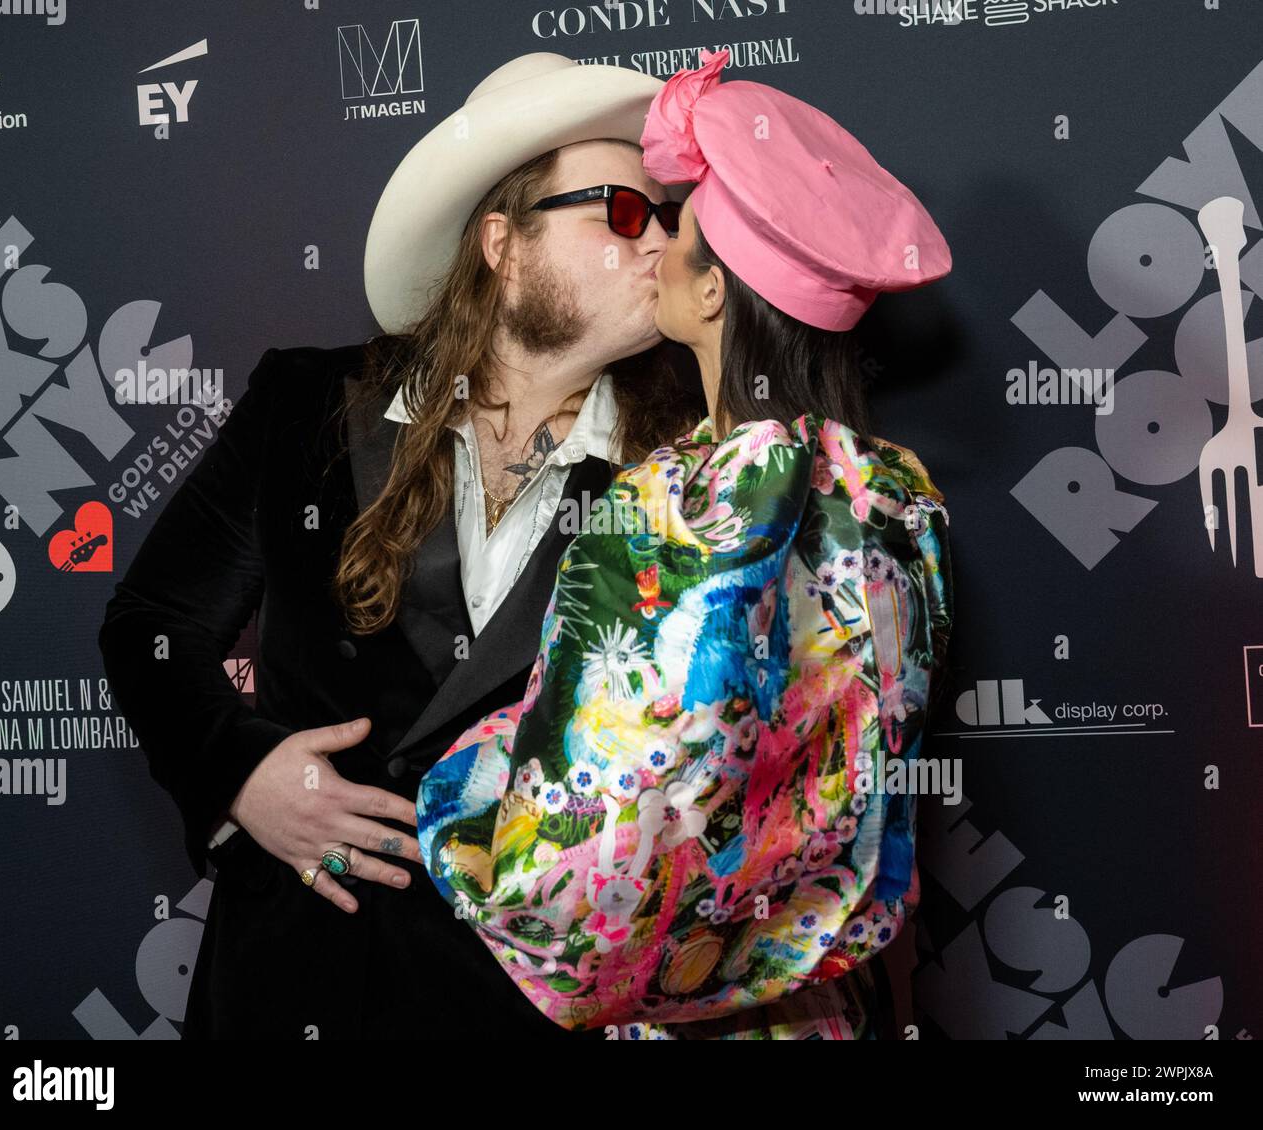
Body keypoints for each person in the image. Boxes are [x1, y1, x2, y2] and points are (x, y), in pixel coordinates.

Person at [97, 52, 705, 1039]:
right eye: (624, 214)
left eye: (669, 219)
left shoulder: (692, 467)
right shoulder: (308, 405)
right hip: (302, 976)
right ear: (503, 245)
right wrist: (243, 774)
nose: (659, 244)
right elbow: (152, 624)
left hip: (538, 1001)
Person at [415, 48, 956, 1040]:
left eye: (678, 230)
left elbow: (575, 879)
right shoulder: (899, 494)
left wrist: (451, 805)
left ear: (712, 294)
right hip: (826, 1013)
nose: (654, 246)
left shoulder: (667, 506)